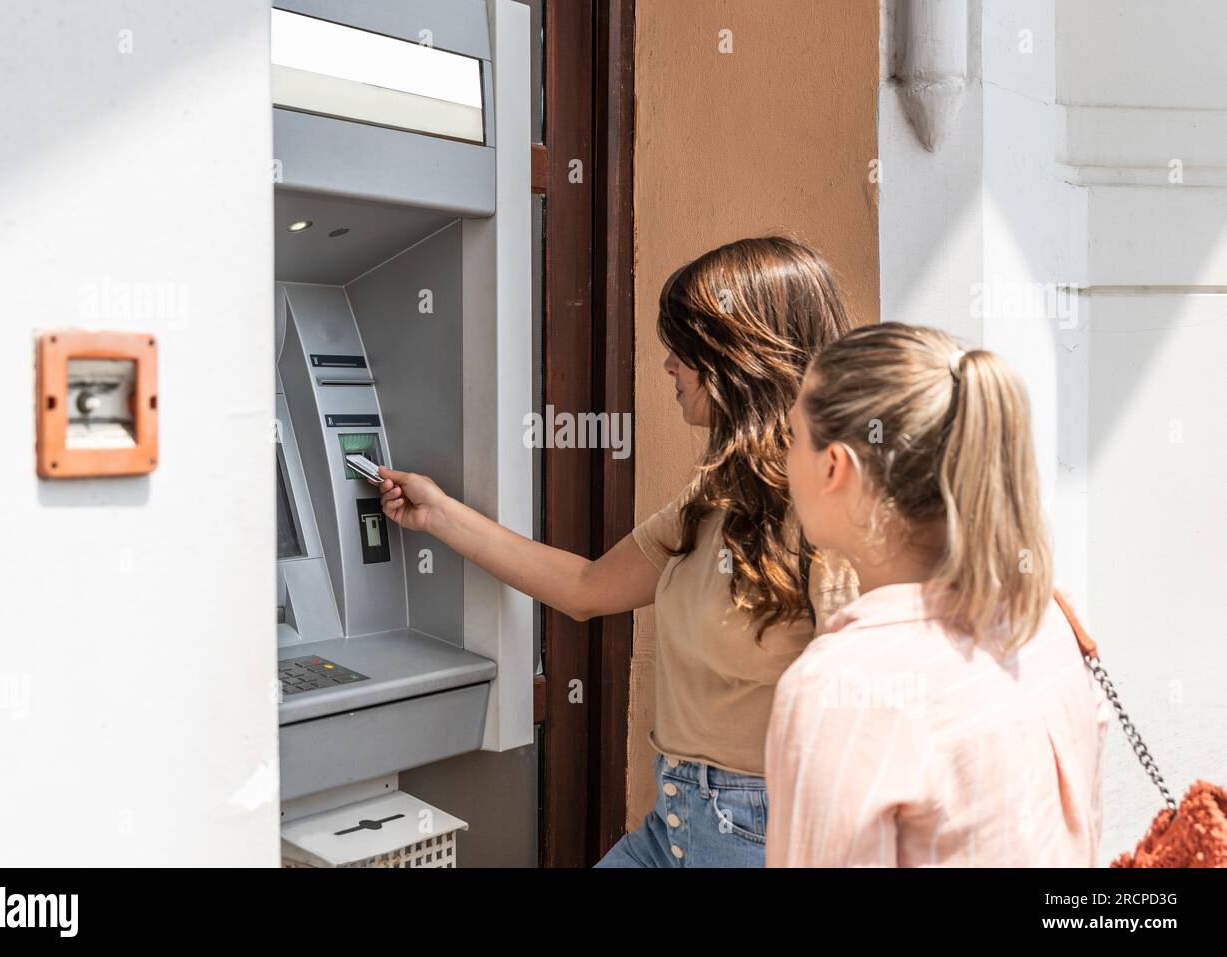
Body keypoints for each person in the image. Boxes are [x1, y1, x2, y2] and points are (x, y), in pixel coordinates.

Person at [376, 235, 859, 867]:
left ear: (736, 355)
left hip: (764, 834)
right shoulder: (714, 498)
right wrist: (439, 514)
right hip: (679, 822)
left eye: (682, 346)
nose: (668, 365)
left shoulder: (832, 508)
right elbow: (586, 588)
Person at [767, 322, 1109, 866]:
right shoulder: (1048, 619)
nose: (784, 463)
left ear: (836, 467)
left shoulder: (840, 686)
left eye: (791, 438)